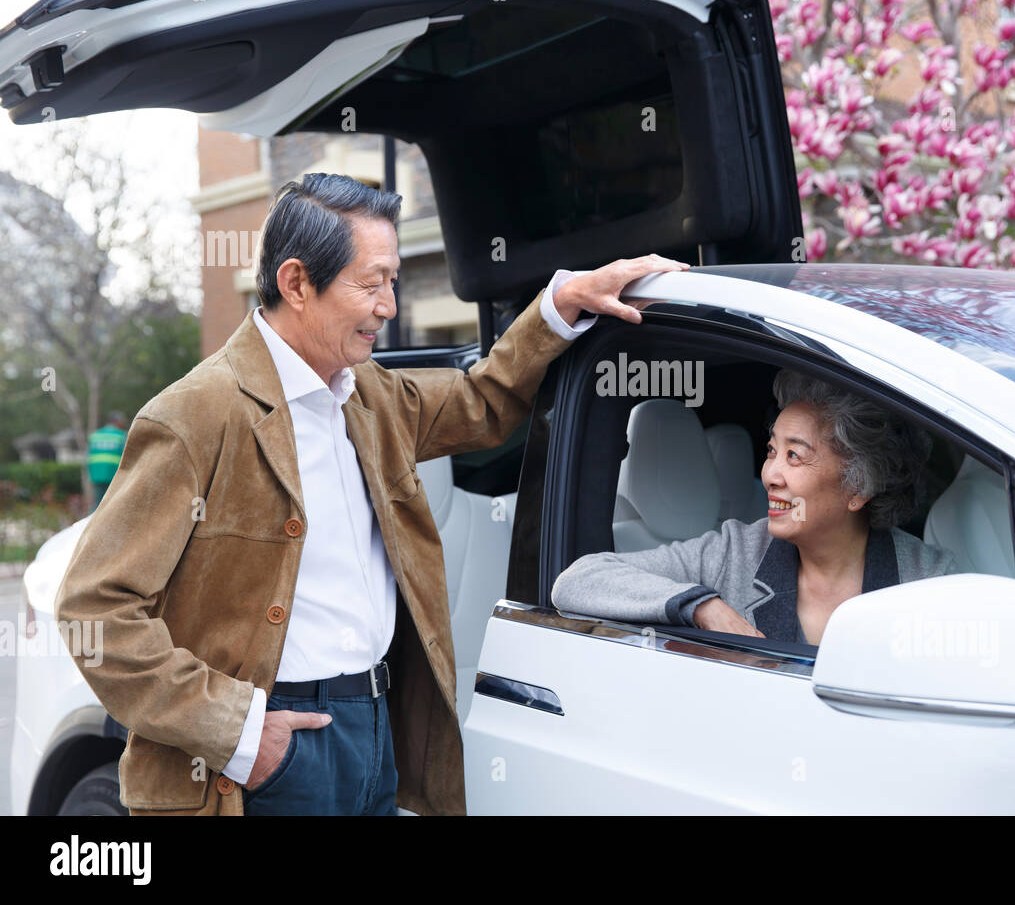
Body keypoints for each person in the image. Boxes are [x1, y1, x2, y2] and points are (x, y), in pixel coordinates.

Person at [54, 172, 687, 815]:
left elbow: (482, 402)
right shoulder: (193, 416)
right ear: (297, 283)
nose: (388, 305)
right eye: (370, 282)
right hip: (267, 756)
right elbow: (93, 612)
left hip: (375, 728)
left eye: (394, 281)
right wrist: (244, 735)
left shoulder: (370, 393)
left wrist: (562, 303)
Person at [552, 369, 958, 646]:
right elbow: (577, 580)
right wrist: (701, 607)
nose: (770, 475)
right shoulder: (733, 553)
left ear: (859, 487)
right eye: (771, 451)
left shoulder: (929, 579)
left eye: (795, 457)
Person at [87, 411, 127, 509]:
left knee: (97, 505)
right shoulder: (121, 436)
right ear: (117, 422)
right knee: (112, 505)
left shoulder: (95, 435)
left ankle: (92, 523)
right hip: (113, 475)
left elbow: (88, 456)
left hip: (96, 475)